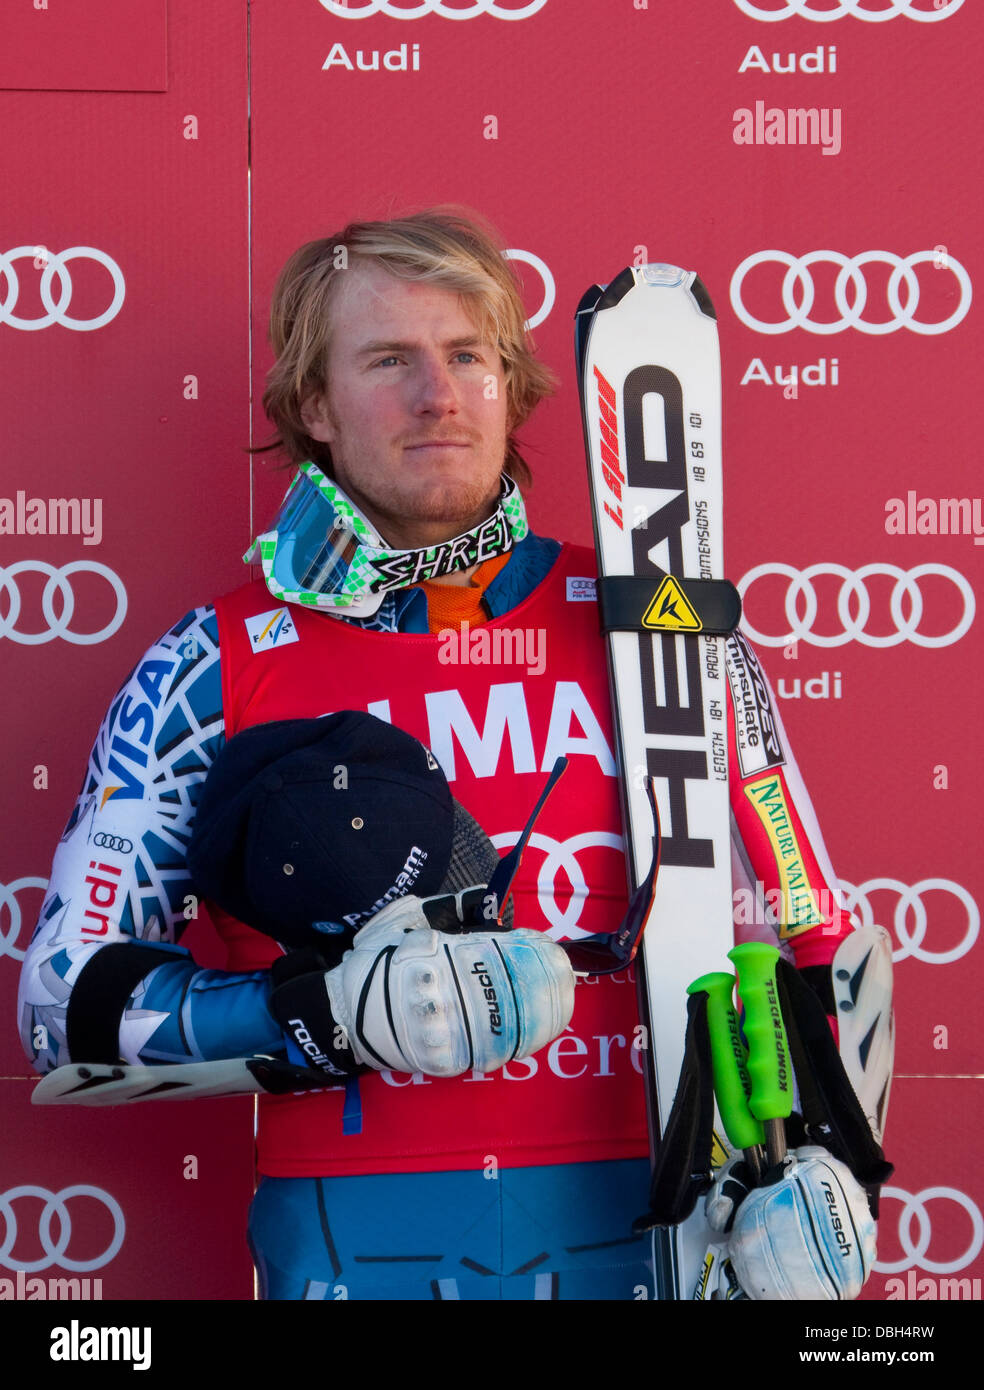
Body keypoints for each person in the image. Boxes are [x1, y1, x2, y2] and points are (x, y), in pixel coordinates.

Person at [18, 208, 891, 1301]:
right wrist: (329, 1019)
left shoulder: (662, 624)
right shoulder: (215, 662)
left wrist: (831, 1168)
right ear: (314, 409)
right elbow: (64, 1005)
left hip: (662, 1227)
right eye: (389, 360)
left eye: (469, 356)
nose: (439, 395)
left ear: (513, 387)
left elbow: (826, 939)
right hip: (356, 1245)